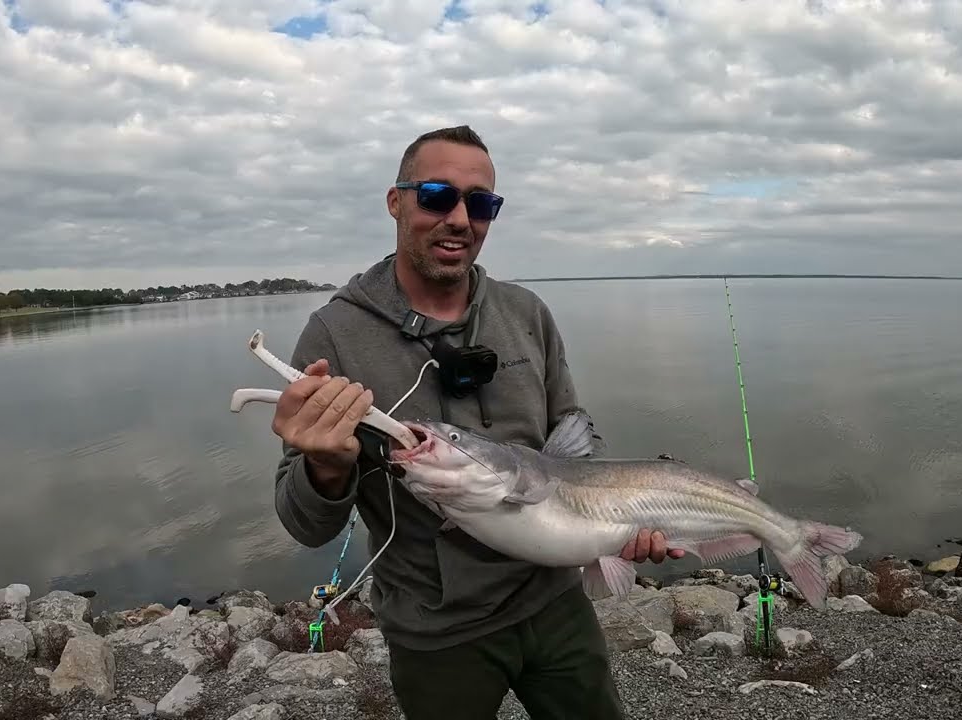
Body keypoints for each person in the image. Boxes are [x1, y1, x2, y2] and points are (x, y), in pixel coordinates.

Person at [269, 125, 683, 719]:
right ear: (396, 201)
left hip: (555, 602)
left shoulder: (526, 314)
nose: (460, 218)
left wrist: (621, 522)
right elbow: (303, 524)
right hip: (436, 631)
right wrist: (325, 467)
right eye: (437, 196)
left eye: (481, 203)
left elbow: (575, 441)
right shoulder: (335, 336)